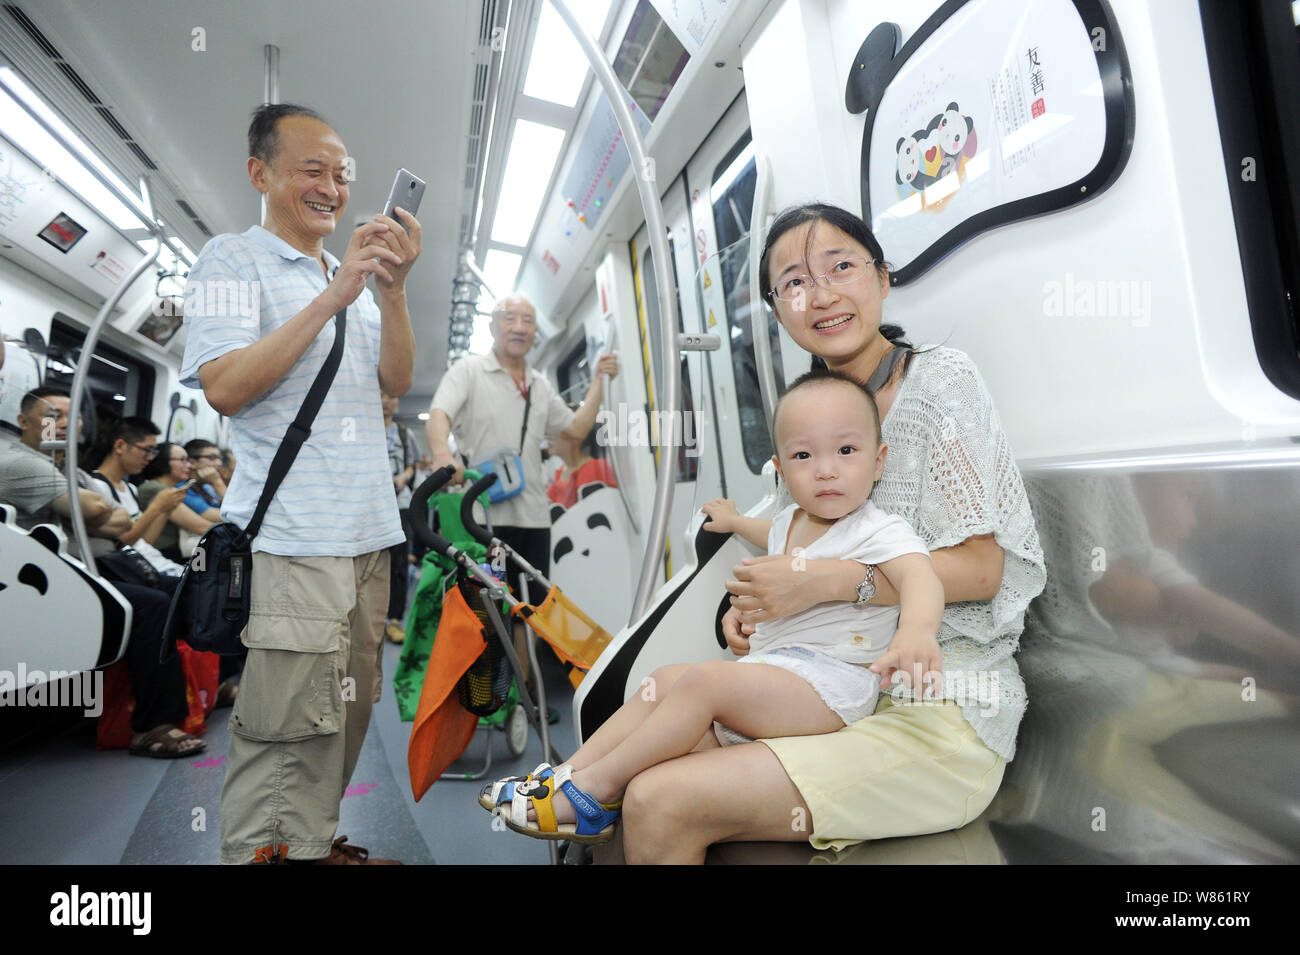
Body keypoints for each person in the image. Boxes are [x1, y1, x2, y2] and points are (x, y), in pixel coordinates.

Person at [527, 202, 1043, 862]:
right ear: (777, 309)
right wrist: (750, 613)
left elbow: (981, 569)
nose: (821, 293)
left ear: (883, 277)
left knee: (659, 798)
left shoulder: (940, 382)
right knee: (656, 730)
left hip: (939, 704)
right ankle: (571, 786)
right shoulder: (812, 415)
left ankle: (575, 792)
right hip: (830, 682)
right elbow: (788, 543)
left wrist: (823, 585)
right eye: (794, 282)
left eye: (840, 266)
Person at [482, 368, 944, 841]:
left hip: (832, 686)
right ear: (782, 470)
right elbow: (770, 535)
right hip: (779, 670)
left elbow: (920, 577)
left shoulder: (878, 529)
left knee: (705, 678)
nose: (826, 469)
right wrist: (735, 520)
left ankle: (597, 791)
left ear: (879, 459)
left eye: (846, 451)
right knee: (660, 680)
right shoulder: (790, 521)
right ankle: (564, 775)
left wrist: (917, 632)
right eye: (804, 455)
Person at [180, 102, 421, 864]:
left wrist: (392, 289)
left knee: (347, 713)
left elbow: (396, 381)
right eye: (312, 169)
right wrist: (333, 296)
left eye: (342, 174)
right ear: (261, 173)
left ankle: (309, 844)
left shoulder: (342, 273)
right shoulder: (230, 260)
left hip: (368, 536)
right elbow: (224, 386)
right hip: (294, 536)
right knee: (285, 726)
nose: (333, 187)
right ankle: (270, 851)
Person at [0, 388, 204, 757]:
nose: (64, 423)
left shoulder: (66, 466)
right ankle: (153, 726)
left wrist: (95, 514)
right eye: (53, 415)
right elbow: (94, 510)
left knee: (166, 594)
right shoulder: (18, 461)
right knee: (151, 604)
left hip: (62, 571)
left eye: (72, 416)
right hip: (30, 582)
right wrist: (95, 514)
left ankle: (192, 693)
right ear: (23, 421)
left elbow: (116, 521)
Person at [426, 295, 618, 682]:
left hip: (533, 518)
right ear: (492, 327)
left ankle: (525, 691)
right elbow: (439, 414)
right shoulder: (470, 371)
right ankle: (496, 689)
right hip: (484, 519)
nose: (518, 326)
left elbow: (576, 430)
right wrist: (441, 456)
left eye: (527, 320)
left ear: (534, 333)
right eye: (509, 318)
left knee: (531, 609)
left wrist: (599, 381)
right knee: (492, 606)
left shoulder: (540, 386)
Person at [87, 416, 188, 578]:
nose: (150, 458)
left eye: (153, 452)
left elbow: (144, 540)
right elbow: (123, 542)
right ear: (120, 446)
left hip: (154, 564)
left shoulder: (130, 488)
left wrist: (166, 509)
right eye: (147, 450)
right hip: (136, 571)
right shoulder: (97, 487)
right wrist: (156, 507)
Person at [137, 442, 220, 562]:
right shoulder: (155, 489)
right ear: (164, 462)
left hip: (177, 552)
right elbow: (201, 526)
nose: (190, 466)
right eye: (183, 460)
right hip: (165, 554)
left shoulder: (172, 489)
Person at [381, 390, 418, 643]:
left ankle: (394, 620)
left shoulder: (405, 434)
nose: (386, 400)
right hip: (372, 505)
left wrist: (404, 477)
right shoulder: (366, 429)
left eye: (391, 396)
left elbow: (412, 465)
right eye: (382, 395)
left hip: (400, 504)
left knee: (399, 564)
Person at [545, 424, 616, 509]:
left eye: (555, 435)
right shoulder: (562, 470)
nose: (549, 440)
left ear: (575, 440)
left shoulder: (594, 468)